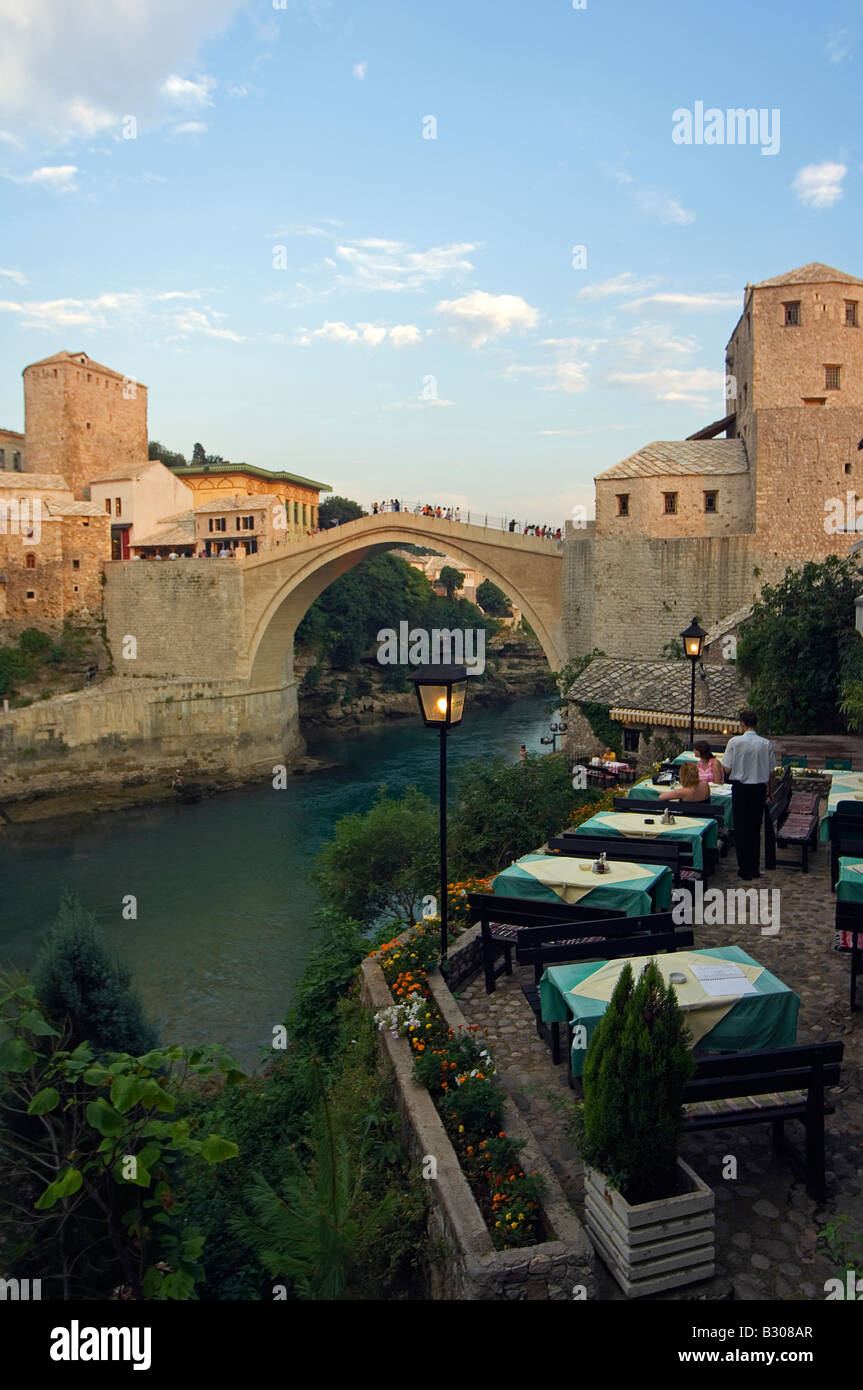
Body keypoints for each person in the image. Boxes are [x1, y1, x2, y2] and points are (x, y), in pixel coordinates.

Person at [722, 711, 776, 881]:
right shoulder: (765, 744)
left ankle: (744, 868)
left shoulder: (735, 742)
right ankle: (754, 868)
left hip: (741, 788)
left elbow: (727, 768)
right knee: (754, 828)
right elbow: (772, 772)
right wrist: (770, 792)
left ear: (742, 724)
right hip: (758, 788)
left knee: (741, 828)